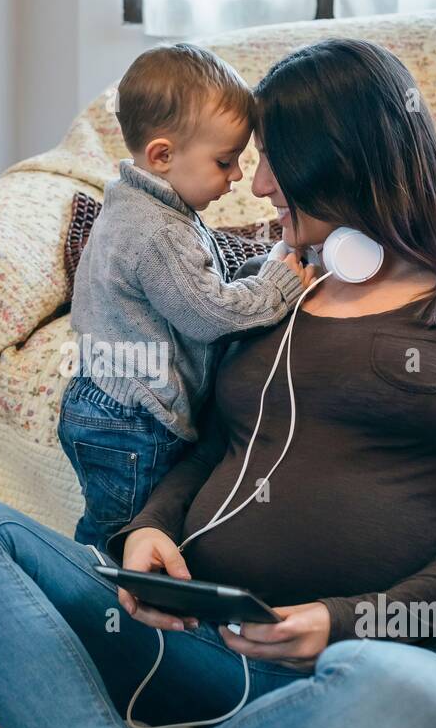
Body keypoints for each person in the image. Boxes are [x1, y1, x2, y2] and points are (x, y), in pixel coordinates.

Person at [0, 38, 436, 728]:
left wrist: (345, 620)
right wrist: (150, 528)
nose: (256, 184)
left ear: (338, 158)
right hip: (193, 642)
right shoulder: (271, 288)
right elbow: (213, 443)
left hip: (356, 665)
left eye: (273, 158)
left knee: (428, 710)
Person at [61, 42, 311, 556]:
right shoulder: (155, 230)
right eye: (226, 161)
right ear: (162, 155)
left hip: (105, 402)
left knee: (114, 525)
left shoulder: (144, 204)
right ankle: (93, 606)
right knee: (120, 539)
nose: (240, 176)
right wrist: (278, 286)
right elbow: (209, 312)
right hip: (131, 418)